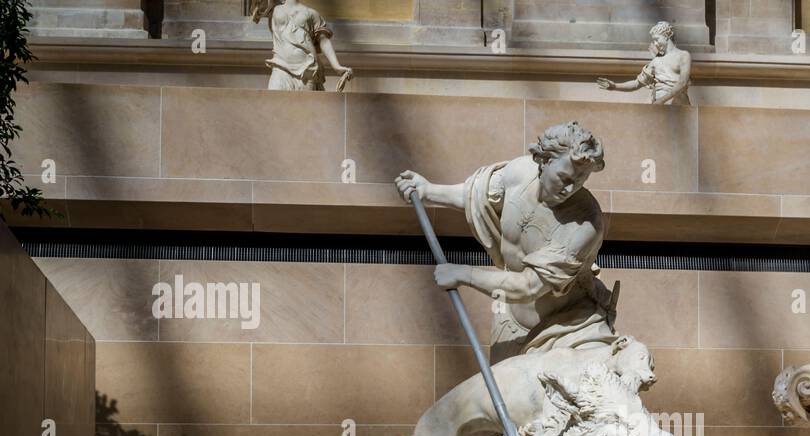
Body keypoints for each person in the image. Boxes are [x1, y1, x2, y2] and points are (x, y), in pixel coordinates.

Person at [395, 121, 618, 361]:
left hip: (570, 330)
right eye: (564, 177)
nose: (570, 188)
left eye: (580, 180)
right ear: (543, 161)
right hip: (511, 322)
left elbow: (529, 286)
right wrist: (428, 191)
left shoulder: (585, 225)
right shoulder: (518, 173)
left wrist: (464, 274)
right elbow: (475, 196)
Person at [251, 0, 353, 92]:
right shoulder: (274, 9)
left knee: (306, 110)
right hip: (280, 67)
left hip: (307, 70)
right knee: (273, 105)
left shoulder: (312, 14)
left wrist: (336, 66)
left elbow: (324, 41)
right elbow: (258, 9)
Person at [596, 21, 692, 105]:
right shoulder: (656, 61)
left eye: (656, 39)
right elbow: (636, 84)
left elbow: (682, 82)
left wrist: (661, 101)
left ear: (666, 37)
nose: (655, 44)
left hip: (676, 103)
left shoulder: (683, 55)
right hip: (658, 103)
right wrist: (615, 86)